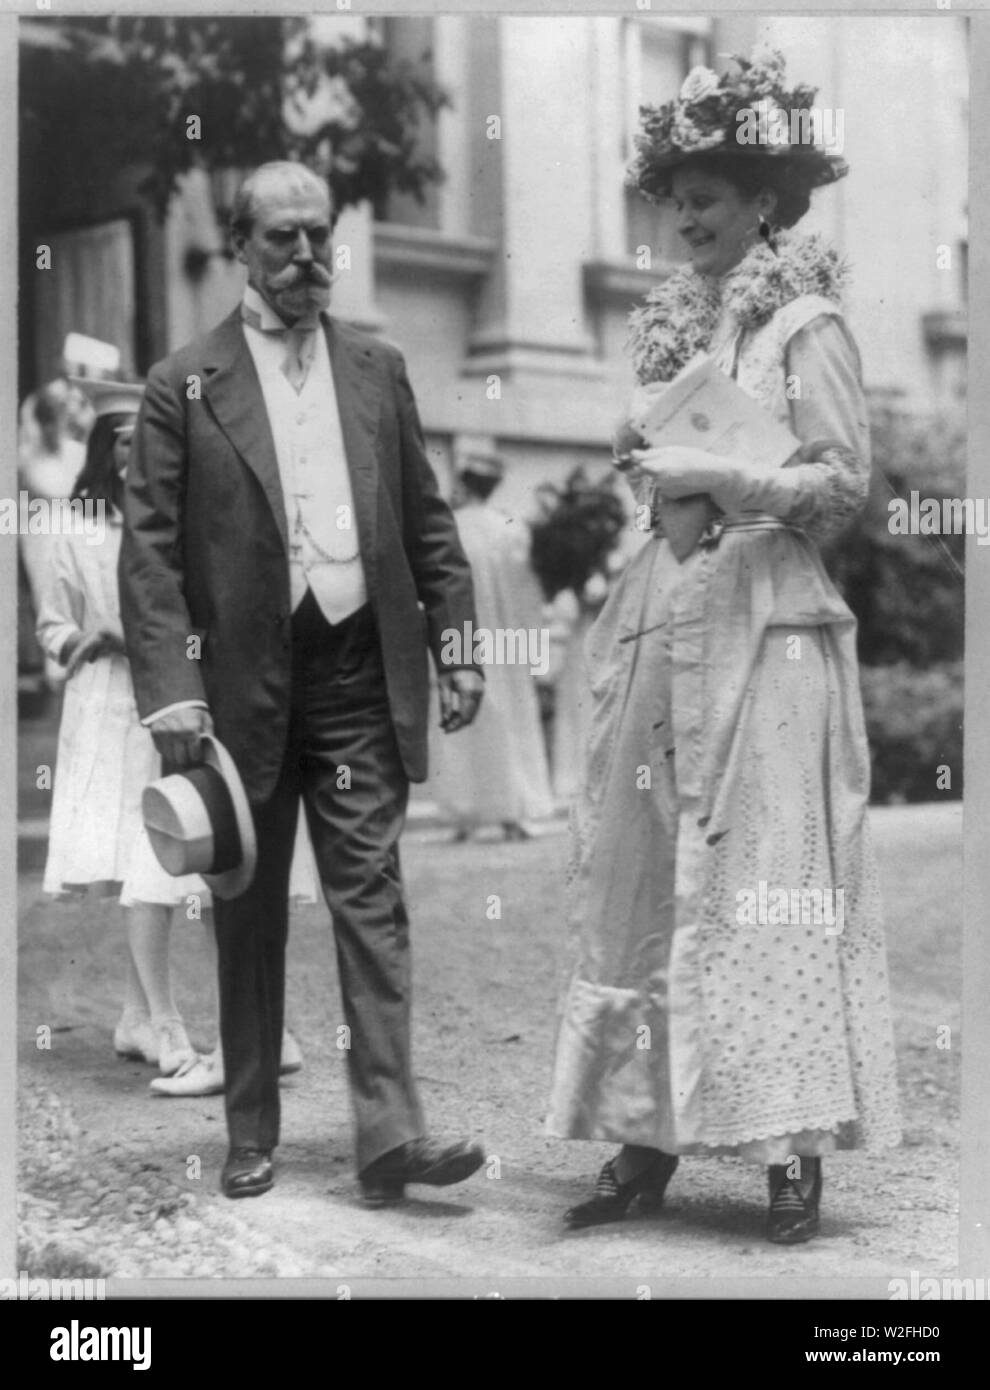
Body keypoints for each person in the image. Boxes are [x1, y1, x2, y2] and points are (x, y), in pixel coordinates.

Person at [546, 47, 901, 1243]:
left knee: (768, 870)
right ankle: (645, 1135)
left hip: (768, 618)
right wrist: (651, 463)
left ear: (766, 200)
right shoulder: (675, 326)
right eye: (674, 196)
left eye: (708, 192)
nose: (685, 214)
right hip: (671, 600)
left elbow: (843, 484)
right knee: (645, 864)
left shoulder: (806, 318)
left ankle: (789, 1148)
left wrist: (723, 471)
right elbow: (673, 472)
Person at [119, 161, 487, 1203]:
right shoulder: (181, 383)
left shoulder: (378, 366)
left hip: (360, 669)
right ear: (241, 246)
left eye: (319, 236)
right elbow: (148, 556)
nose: (305, 256)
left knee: (372, 894)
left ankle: (388, 1136)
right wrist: (172, 690)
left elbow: (425, 518)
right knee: (249, 910)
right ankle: (250, 1127)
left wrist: (458, 642)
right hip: (239, 689)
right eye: (280, 239)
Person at [37, 381, 311, 1089]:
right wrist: (91, 640)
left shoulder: (177, 524)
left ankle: (153, 1016)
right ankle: (161, 1020)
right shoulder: (72, 529)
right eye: (124, 447)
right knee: (145, 859)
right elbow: (51, 627)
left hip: (178, 698)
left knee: (187, 851)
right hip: (108, 706)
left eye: (148, 447)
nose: (137, 460)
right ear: (103, 454)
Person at [429, 453, 554, 841]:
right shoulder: (509, 529)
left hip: (460, 638)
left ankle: (464, 814)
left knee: (464, 717)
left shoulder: (450, 528)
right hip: (505, 639)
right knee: (509, 715)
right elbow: (526, 594)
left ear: (464, 486)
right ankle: (513, 810)